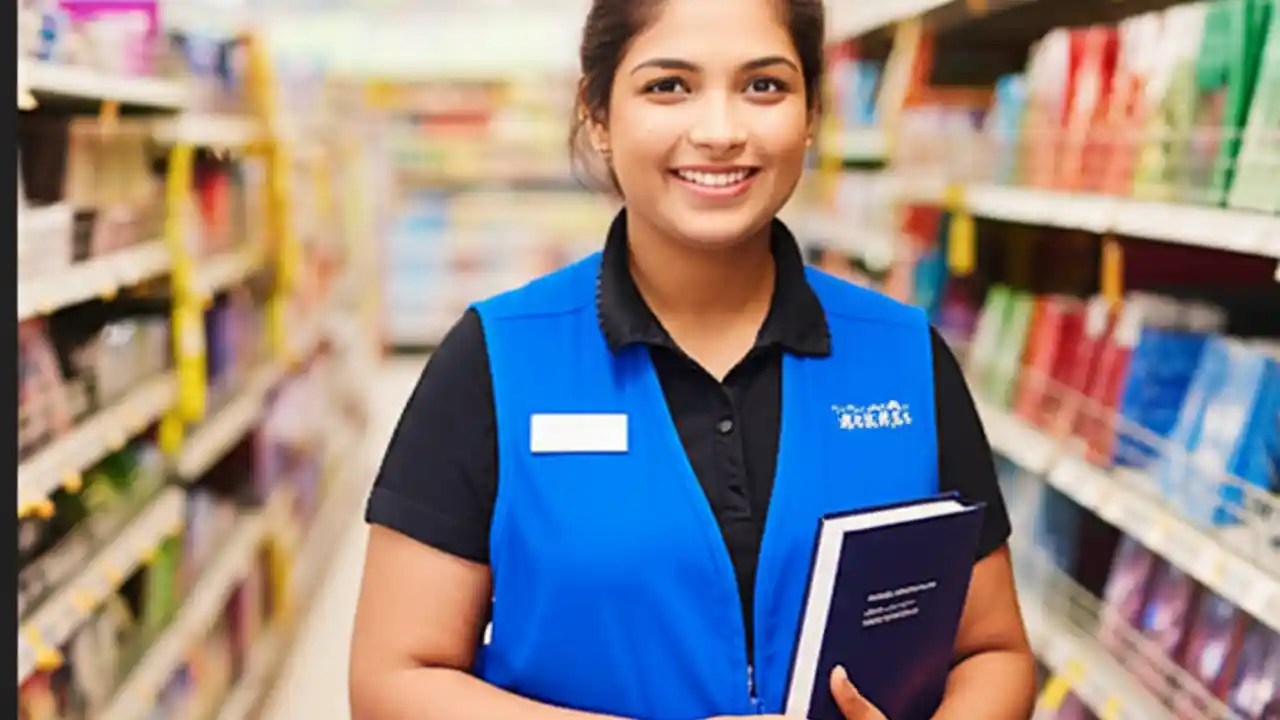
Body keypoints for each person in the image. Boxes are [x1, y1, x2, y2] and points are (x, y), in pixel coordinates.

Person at [349, 0, 1037, 718]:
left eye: (764, 85)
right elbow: (393, 680)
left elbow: (991, 652)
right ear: (598, 114)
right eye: (668, 86)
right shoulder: (497, 359)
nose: (719, 131)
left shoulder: (904, 355)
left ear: (810, 113)